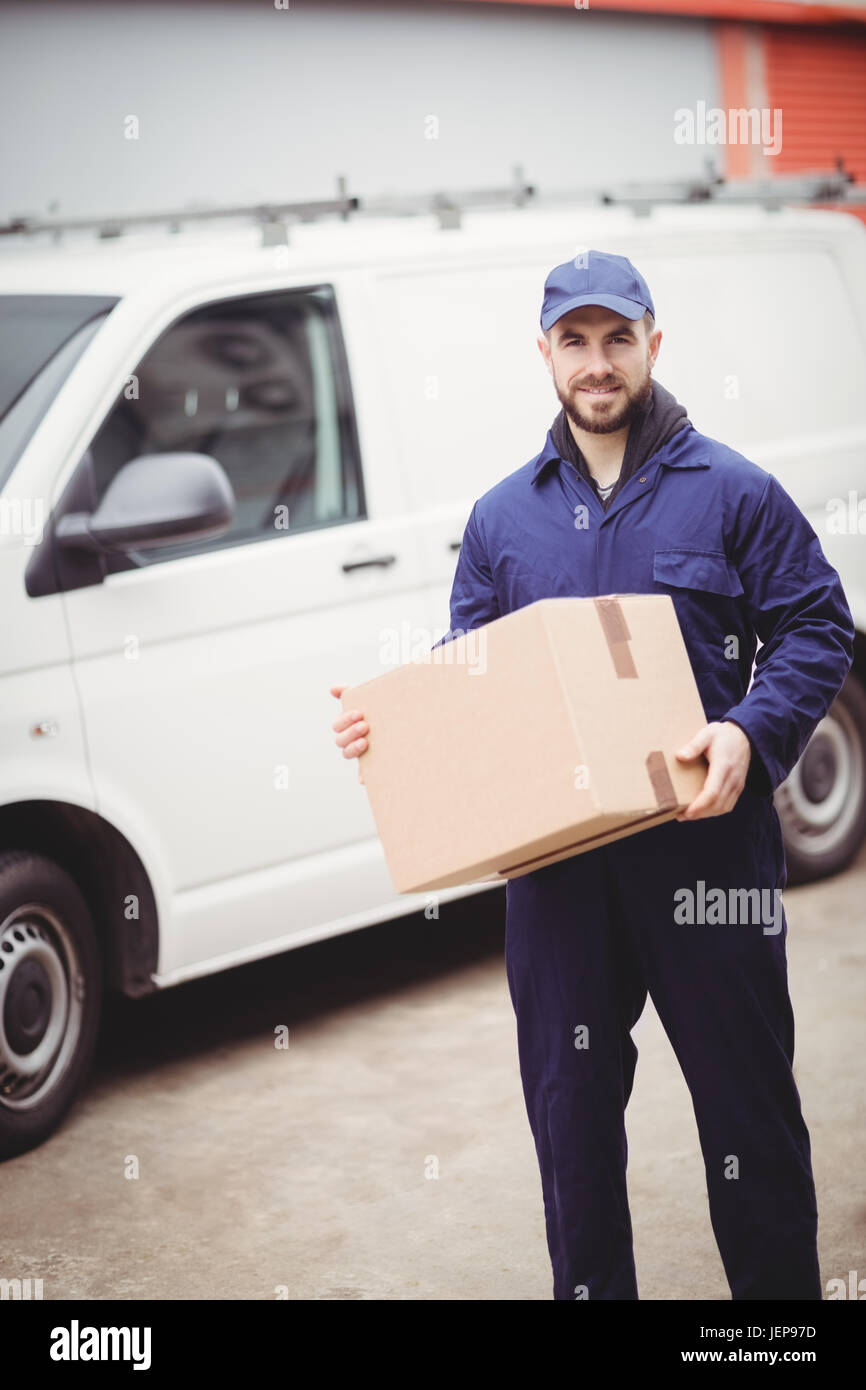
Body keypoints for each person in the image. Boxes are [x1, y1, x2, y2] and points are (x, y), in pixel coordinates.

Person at [331, 249, 855, 1300]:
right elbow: (474, 683)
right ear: (544, 355)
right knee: (568, 1127)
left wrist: (749, 732)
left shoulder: (733, 493)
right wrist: (392, 728)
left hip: (704, 856)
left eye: (617, 337)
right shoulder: (499, 520)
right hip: (559, 877)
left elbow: (813, 625)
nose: (596, 361)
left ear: (652, 344)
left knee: (746, 1117)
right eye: (573, 340)